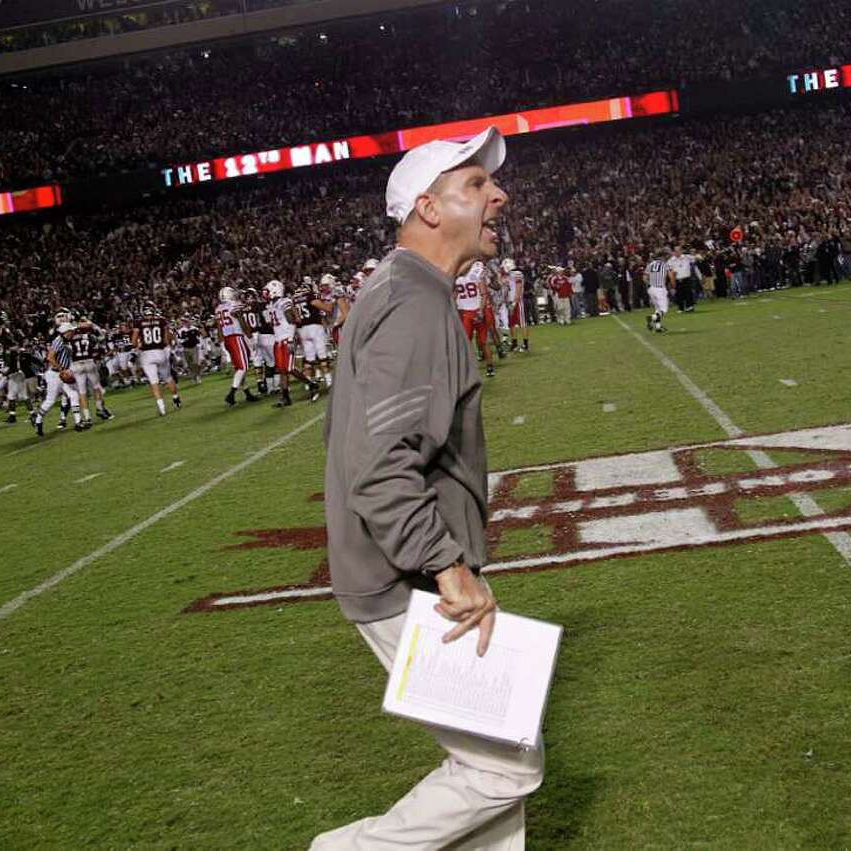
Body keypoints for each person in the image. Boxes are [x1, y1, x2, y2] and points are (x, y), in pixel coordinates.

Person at [316, 127, 544, 850]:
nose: (497, 193)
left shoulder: (406, 287)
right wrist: (447, 566)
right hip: (406, 573)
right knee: (504, 767)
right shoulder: (412, 300)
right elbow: (380, 463)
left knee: (493, 757)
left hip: (411, 565)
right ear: (428, 207)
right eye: (475, 184)